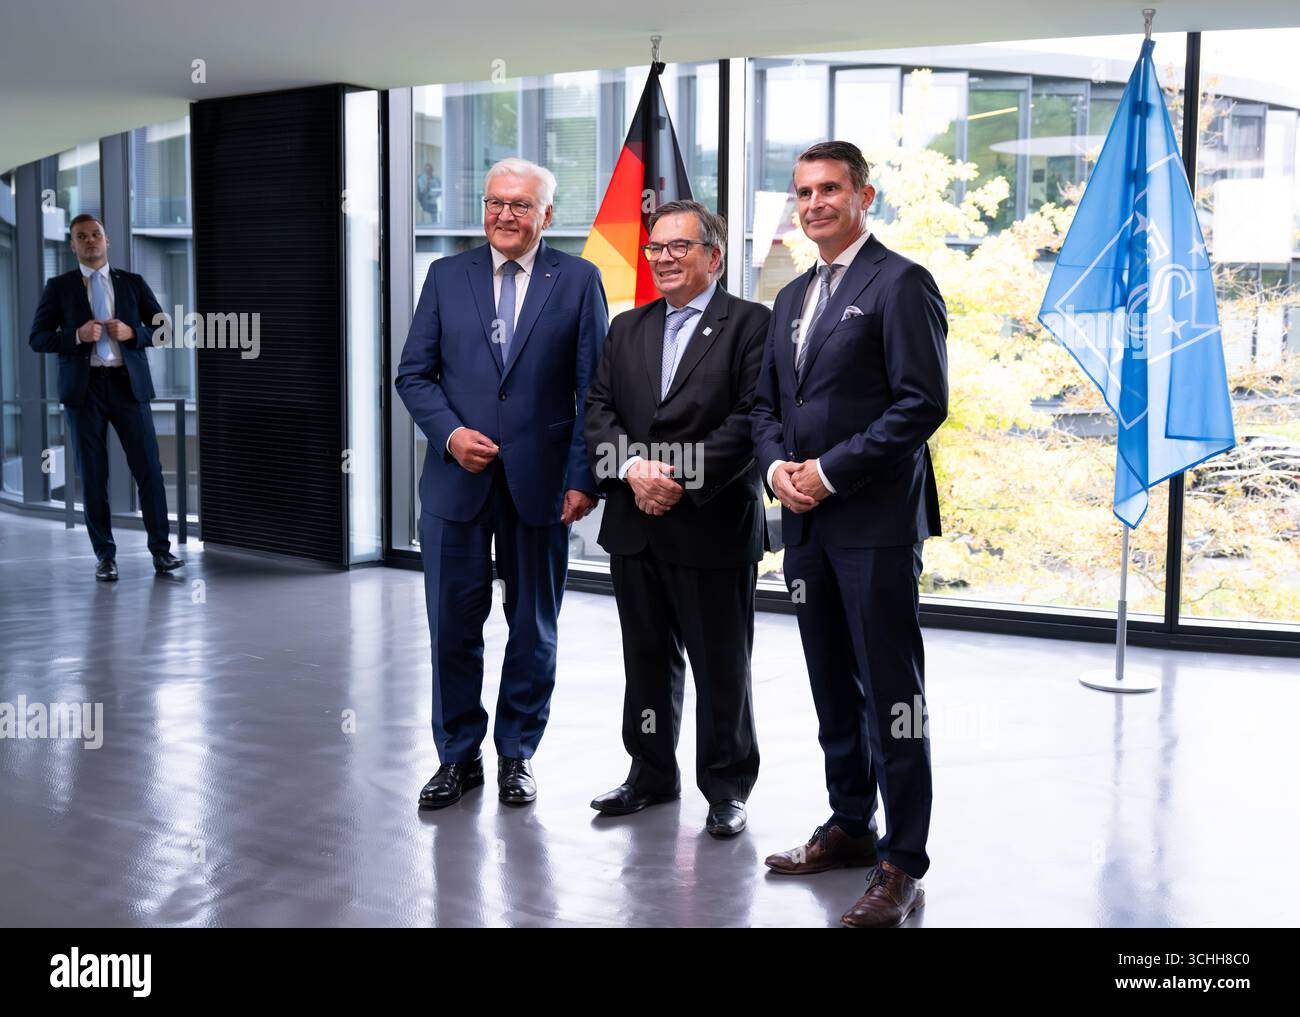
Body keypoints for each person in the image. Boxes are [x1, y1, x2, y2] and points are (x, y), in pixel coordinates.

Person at [751, 141, 948, 927]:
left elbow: (920, 404)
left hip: (871, 520)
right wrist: (776, 474)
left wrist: (827, 471)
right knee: (832, 681)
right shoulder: (792, 295)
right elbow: (765, 406)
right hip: (803, 523)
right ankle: (850, 825)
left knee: (893, 694)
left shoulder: (902, 283)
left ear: (864, 195)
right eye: (803, 191)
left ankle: (903, 861)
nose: (814, 203)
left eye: (830, 188)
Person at [396, 157, 607, 809]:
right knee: (452, 625)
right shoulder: (444, 276)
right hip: (456, 484)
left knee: (533, 626)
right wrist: (451, 434)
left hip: (542, 485)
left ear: (548, 215)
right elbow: (414, 375)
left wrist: (584, 477)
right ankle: (457, 757)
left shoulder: (577, 280)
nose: (505, 216)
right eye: (495, 202)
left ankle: (517, 753)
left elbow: (593, 390)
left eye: (520, 205)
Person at [584, 200, 770, 837]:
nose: (661, 258)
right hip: (635, 524)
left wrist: (676, 479)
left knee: (722, 665)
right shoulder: (626, 328)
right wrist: (634, 468)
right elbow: (599, 411)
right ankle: (649, 774)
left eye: (677, 248)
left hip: (712, 523)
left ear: (712, 257)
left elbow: (750, 421)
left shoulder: (752, 325)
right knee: (645, 659)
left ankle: (726, 787)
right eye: (654, 248)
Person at [29, 213, 184, 581]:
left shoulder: (132, 283)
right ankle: (105, 556)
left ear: (107, 239)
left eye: (95, 234)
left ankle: (161, 552)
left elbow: (164, 331)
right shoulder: (59, 286)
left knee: (149, 469)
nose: (90, 241)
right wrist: (75, 336)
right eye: (81, 236)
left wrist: (134, 332)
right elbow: (37, 339)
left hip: (128, 387)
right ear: (72, 245)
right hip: (85, 392)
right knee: (94, 475)